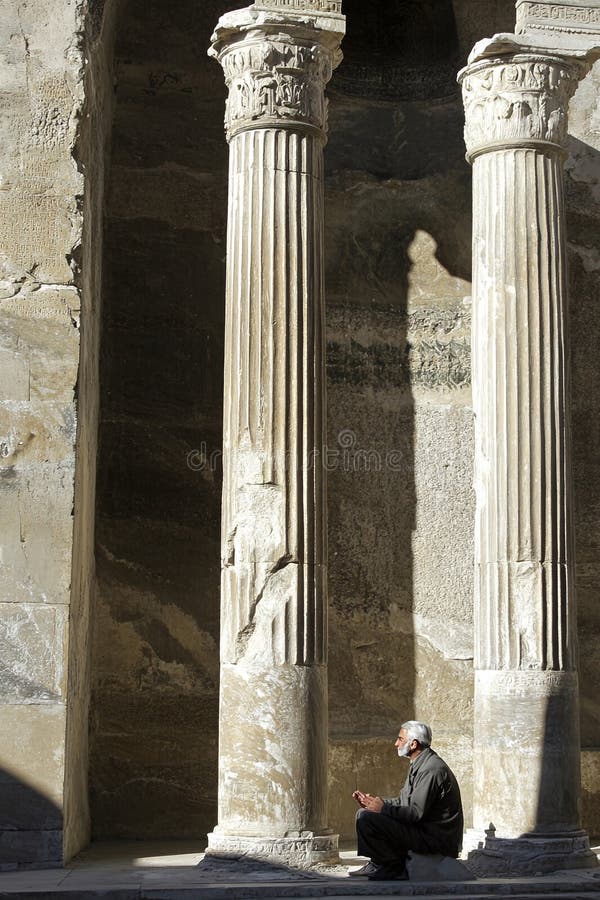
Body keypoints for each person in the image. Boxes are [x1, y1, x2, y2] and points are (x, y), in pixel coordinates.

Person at [350, 720, 464, 881]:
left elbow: (416, 813)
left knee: (366, 819)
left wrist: (383, 809)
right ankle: (380, 862)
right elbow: (405, 801)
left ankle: (394, 868)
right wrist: (375, 803)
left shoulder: (431, 769)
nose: (396, 743)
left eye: (400, 739)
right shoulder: (420, 763)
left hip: (435, 840)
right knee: (364, 813)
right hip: (424, 832)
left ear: (413, 744)